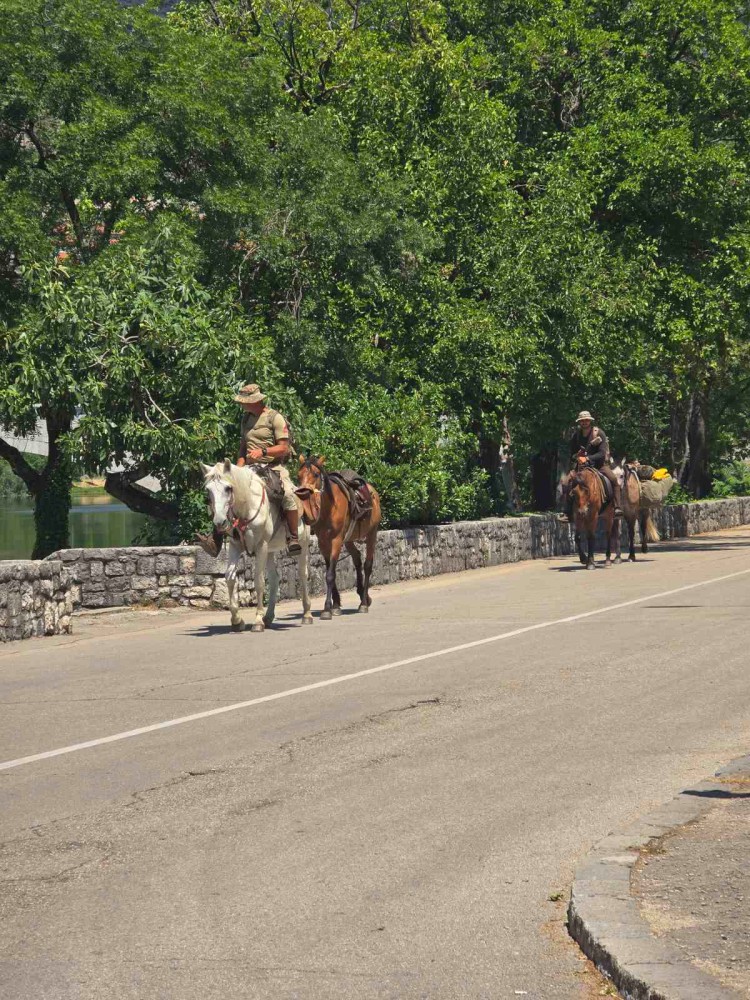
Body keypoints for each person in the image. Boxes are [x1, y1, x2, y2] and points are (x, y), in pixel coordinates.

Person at [195, 383, 301, 557]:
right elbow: (242, 450)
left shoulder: (275, 418)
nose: (241, 404)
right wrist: (237, 471)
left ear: (255, 401)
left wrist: (263, 452)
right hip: (250, 469)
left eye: (244, 401)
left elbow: (284, 448)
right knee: (223, 493)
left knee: (288, 494)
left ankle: (293, 537)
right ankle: (215, 540)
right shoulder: (246, 419)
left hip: (273, 467)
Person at [559, 410, 622, 522]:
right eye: (582, 421)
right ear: (579, 422)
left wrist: (587, 458)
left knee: (614, 480)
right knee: (565, 482)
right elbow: (572, 453)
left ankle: (617, 507)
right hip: (581, 467)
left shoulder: (599, 433)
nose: (584, 422)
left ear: (590, 421)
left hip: (599, 465)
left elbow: (602, 453)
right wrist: (577, 456)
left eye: (586, 420)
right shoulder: (576, 435)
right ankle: (567, 512)